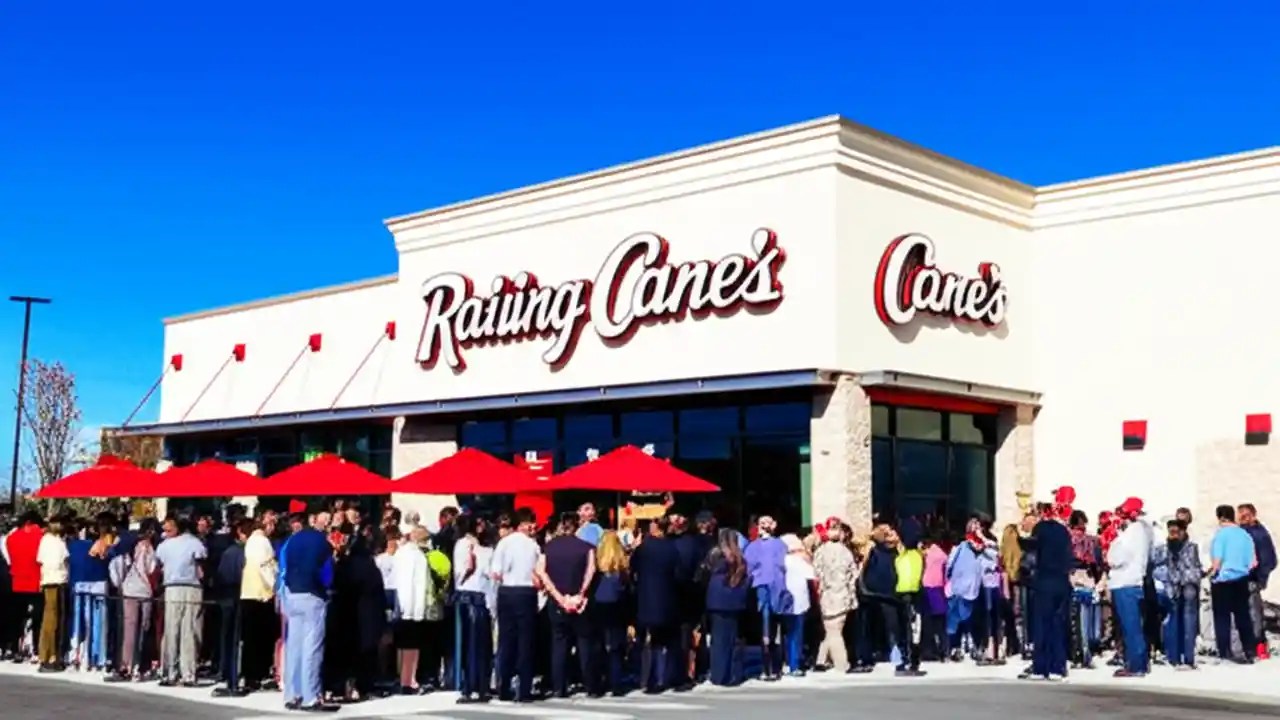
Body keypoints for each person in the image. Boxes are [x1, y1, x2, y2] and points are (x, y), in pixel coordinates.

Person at [536, 512, 597, 698]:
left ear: (562, 525)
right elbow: (591, 571)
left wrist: (558, 596)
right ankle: (590, 685)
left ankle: (559, 686)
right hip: (580, 602)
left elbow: (541, 572)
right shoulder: (587, 547)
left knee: (559, 643)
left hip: (557, 601)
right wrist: (581, 594)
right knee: (584, 642)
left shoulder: (549, 547)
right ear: (577, 525)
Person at [280, 511, 334, 711]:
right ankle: (310, 695)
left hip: (292, 593)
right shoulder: (322, 543)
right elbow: (327, 573)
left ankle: (292, 693)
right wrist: (326, 588)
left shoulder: (292, 541)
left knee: (294, 645)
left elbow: (283, 566)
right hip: (312, 594)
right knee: (312, 647)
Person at [490, 508, 541, 703]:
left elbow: (495, 572)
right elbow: (538, 573)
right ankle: (524, 688)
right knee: (526, 641)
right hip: (526, 592)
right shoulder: (533, 545)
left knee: (506, 640)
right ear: (525, 524)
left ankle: (504, 686)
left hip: (507, 591)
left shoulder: (504, 543)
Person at [630, 515, 683, 693]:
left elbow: (633, 569)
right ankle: (665, 677)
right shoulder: (672, 548)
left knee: (648, 642)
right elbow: (678, 574)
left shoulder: (643, 548)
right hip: (667, 598)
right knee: (666, 641)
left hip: (645, 598)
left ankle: (647, 679)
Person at [1023, 495, 1072, 681]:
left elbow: (1031, 553)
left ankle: (1041, 666)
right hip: (1062, 581)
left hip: (1044, 581)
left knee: (1042, 625)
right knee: (1058, 625)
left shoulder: (1040, 529)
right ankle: (1058, 666)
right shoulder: (1064, 531)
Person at [154, 514, 207, 686]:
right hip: (191, 587)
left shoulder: (164, 546)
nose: (165, 530)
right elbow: (201, 560)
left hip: (172, 587)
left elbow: (158, 563)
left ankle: (169, 672)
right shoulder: (194, 542)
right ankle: (188, 673)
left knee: (171, 630)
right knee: (189, 631)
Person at [106, 518, 159, 682]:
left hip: (129, 589)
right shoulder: (149, 548)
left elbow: (117, 566)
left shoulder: (128, 545)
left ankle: (125, 666)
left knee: (129, 631)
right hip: (145, 590)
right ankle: (141, 666)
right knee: (144, 629)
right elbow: (151, 569)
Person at [452, 514, 495, 704]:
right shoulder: (480, 548)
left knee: (470, 644)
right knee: (479, 644)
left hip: (469, 595)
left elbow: (463, 572)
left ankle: (470, 687)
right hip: (477, 597)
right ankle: (480, 686)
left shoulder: (469, 546)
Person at [698, 528, 749, 687]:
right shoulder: (740, 557)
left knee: (718, 641)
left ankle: (719, 675)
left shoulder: (715, 555)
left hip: (717, 600)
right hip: (735, 601)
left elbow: (703, 574)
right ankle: (733, 674)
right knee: (732, 639)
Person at [1108, 497, 1152, 677]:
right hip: (1132, 581)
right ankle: (1137, 662)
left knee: (1131, 626)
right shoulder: (1143, 531)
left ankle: (1136, 665)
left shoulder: (1133, 533)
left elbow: (1118, 558)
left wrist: (1112, 548)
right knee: (1133, 625)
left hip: (1125, 581)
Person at [1209, 504, 1258, 663]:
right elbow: (1253, 562)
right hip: (1242, 579)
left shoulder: (1221, 535)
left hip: (1223, 580)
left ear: (1220, 517)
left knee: (1222, 617)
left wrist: (1212, 573)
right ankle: (1249, 650)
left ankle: (1224, 652)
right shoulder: (1245, 535)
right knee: (1243, 616)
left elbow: (1217, 560)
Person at [1151, 518, 1201, 668]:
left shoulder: (1191, 548)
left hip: (1188, 586)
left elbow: (1191, 567)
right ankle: (1174, 656)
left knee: (1188, 622)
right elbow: (1154, 566)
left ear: (1183, 532)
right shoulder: (1163, 549)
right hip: (1171, 587)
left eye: (1176, 532)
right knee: (1173, 622)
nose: (1173, 536)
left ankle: (1188, 658)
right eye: (1170, 532)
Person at [743, 515, 787, 680]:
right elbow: (748, 568)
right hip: (762, 588)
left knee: (774, 626)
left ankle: (775, 666)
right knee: (765, 626)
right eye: (761, 523)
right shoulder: (753, 547)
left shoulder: (780, 545)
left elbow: (784, 565)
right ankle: (767, 666)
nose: (764, 526)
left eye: (767, 523)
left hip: (778, 588)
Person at [812, 518, 857, 672]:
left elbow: (816, 574)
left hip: (829, 595)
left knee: (833, 630)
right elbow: (853, 575)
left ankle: (841, 663)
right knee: (834, 629)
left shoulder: (820, 551)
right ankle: (822, 658)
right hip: (842, 595)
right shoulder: (846, 552)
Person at [240, 516, 278, 691]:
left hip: (248, 591)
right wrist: (275, 586)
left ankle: (249, 675)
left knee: (250, 639)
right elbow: (266, 567)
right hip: (261, 593)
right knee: (261, 639)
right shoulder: (263, 542)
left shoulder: (250, 542)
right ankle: (258, 674)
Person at [392, 526, 431, 694]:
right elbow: (418, 584)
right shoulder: (418, 556)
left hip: (400, 603)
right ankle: (409, 680)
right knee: (413, 646)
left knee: (401, 644)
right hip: (413, 605)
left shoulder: (400, 553)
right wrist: (417, 610)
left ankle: (401, 677)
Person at [592, 530, 630, 696]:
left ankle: (598, 682)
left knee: (598, 645)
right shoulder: (622, 570)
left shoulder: (597, 567)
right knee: (616, 647)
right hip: (618, 607)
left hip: (599, 606)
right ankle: (616, 683)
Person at [1237, 503, 1275, 660]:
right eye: (1240, 516)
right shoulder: (1239, 532)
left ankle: (1258, 646)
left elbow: (1270, 560)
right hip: (1239, 579)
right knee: (1245, 614)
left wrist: (1260, 578)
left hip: (1252, 580)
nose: (1242, 519)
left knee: (1254, 615)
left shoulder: (1260, 535)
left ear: (1253, 515)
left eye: (1246, 515)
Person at [5, 512, 44, 661]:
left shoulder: (11, 538)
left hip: (17, 581)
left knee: (16, 618)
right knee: (37, 619)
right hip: (35, 582)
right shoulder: (40, 537)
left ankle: (14, 648)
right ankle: (36, 649)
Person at [36, 516, 69, 672]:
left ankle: (46, 654)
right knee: (53, 621)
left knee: (47, 620)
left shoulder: (44, 541)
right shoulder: (58, 543)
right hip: (57, 581)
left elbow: (40, 560)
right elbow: (64, 561)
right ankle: (51, 656)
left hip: (46, 580)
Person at [780, 533, 815, 676]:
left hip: (784, 600)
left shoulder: (780, 560)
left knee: (786, 634)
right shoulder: (798, 561)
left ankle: (787, 662)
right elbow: (812, 574)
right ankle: (795, 665)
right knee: (796, 634)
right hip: (799, 601)